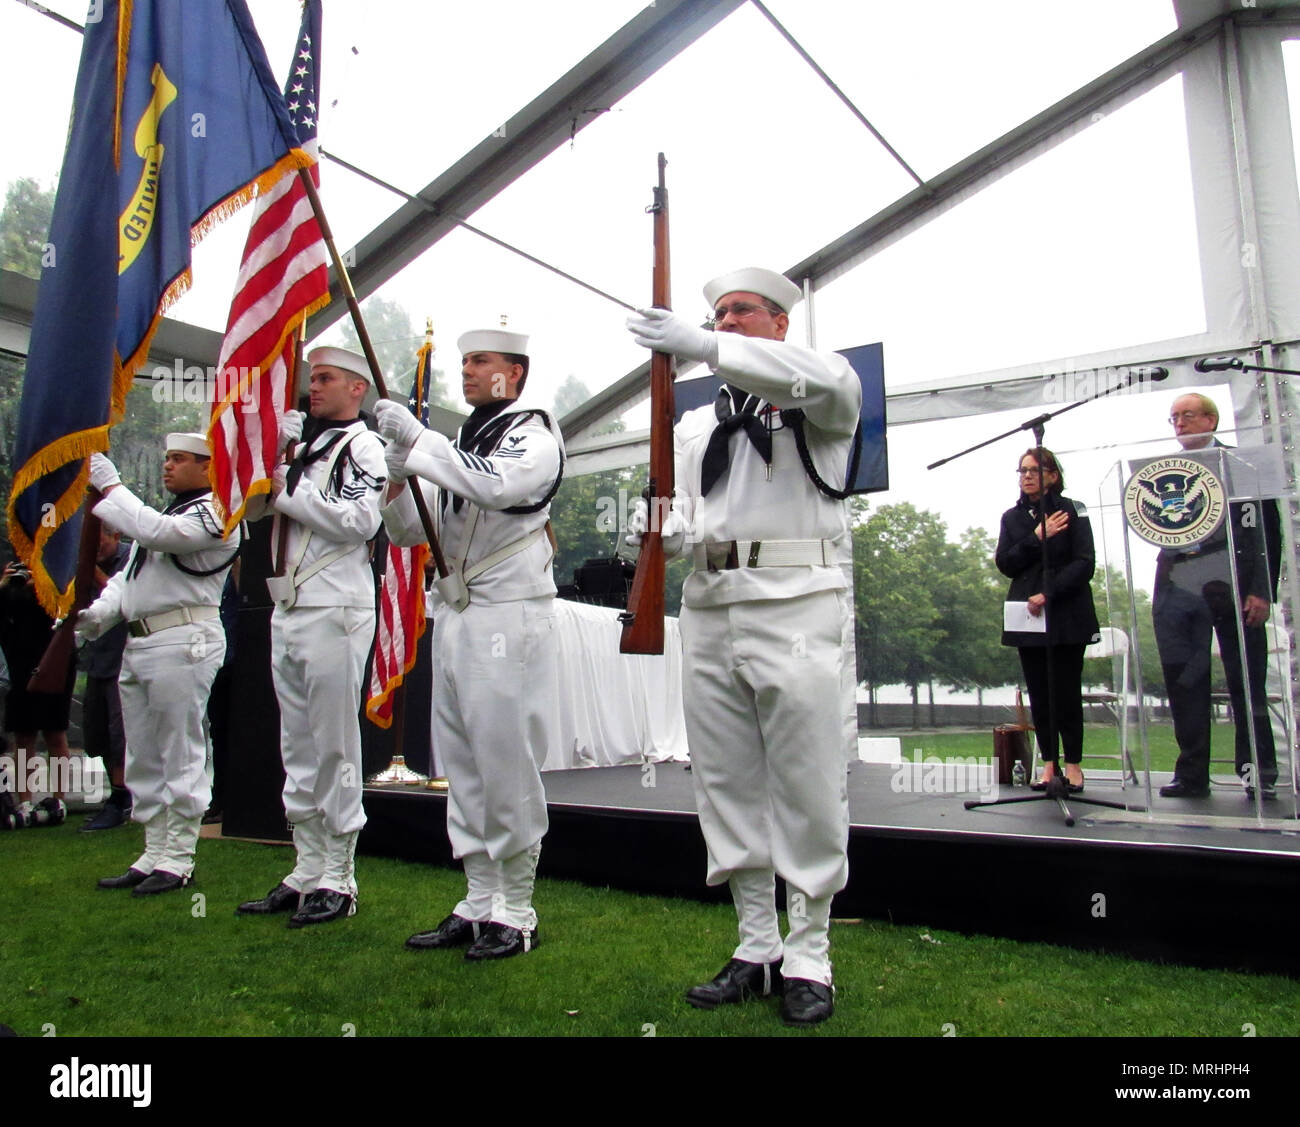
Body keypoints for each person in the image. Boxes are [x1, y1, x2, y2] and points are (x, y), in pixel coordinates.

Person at [624, 267, 859, 1027]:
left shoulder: (822, 389)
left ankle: (811, 952)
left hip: (795, 603)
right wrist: (664, 525)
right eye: (717, 312)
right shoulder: (695, 426)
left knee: (807, 780)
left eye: (742, 311)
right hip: (713, 602)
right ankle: (756, 944)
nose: (727, 319)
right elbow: (688, 510)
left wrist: (702, 344)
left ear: (780, 323)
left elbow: (817, 381)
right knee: (726, 781)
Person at [375, 328, 563, 960]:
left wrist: (420, 443)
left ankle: (517, 909)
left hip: (509, 611)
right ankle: (478, 900)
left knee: (505, 762)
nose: (468, 371)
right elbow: (406, 532)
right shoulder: (459, 445)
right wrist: (399, 477)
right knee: (463, 765)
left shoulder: (533, 435)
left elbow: (502, 487)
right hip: (456, 611)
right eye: (464, 363)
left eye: (481, 361)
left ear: (516, 371)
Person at [235, 346, 385, 927]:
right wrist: (275, 462)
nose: (313, 388)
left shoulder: (362, 446)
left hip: (334, 606)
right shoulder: (301, 452)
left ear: (357, 390)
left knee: (333, 745)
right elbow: (249, 516)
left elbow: (359, 521)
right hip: (290, 606)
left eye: (325, 379)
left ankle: (340, 877)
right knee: (296, 744)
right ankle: (306, 867)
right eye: (312, 378)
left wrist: (287, 486)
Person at [78, 434, 240, 894]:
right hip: (143, 640)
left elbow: (158, 535)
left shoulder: (218, 511)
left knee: (180, 749)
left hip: (184, 637)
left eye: (180, 459)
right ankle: (153, 849)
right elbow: (130, 580)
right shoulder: (168, 512)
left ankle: (179, 857)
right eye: (167, 458)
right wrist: (97, 616)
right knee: (144, 754)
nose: (168, 466)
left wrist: (111, 487)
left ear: (208, 467)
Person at [1154, 393, 1281, 800]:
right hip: (1179, 587)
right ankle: (1191, 775)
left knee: (1247, 683)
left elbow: (1266, 532)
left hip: (1233, 585)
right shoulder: (1165, 471)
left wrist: (1260, 590)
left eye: (1187, 416)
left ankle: (1257, 774)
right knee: (1185, 684)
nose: (1179, 423)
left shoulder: (1239, 464)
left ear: (1211, 418)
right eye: (1173, 418)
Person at [995, 448, 1100, 792]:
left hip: (1066, 610)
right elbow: (1007, 563)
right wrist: (1036, 537)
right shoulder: (1012, 518)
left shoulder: (1073, 509)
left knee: (1066, 690)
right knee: (1039, 693)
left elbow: (1085, 562)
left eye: (1035, 470)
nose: (1026, 476)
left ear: (1053, 475)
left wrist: (1049, 592)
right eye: (1022, 470)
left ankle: (1073, 765)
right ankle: (1048, 765)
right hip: (1027, 613)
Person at [0, 552, 77, 828]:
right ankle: (25, 801)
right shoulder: (12, 576)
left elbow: (70, 610)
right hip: (19, 660)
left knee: (55, 732)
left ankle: (58, 799)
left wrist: (44, 585)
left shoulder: (59, 567)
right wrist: (5, 584)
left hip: (55, 657)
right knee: (24, 736)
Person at [79, 523, 133, 832]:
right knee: (95, 731)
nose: (95, 547)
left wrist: (91, 571)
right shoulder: (84, 563)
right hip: (96, 658)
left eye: (99, 540)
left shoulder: (129, 558)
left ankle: (122, 797)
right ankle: (114, 796)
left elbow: (121, 600)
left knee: (119, 733)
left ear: (116, 534)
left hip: (122, 657)